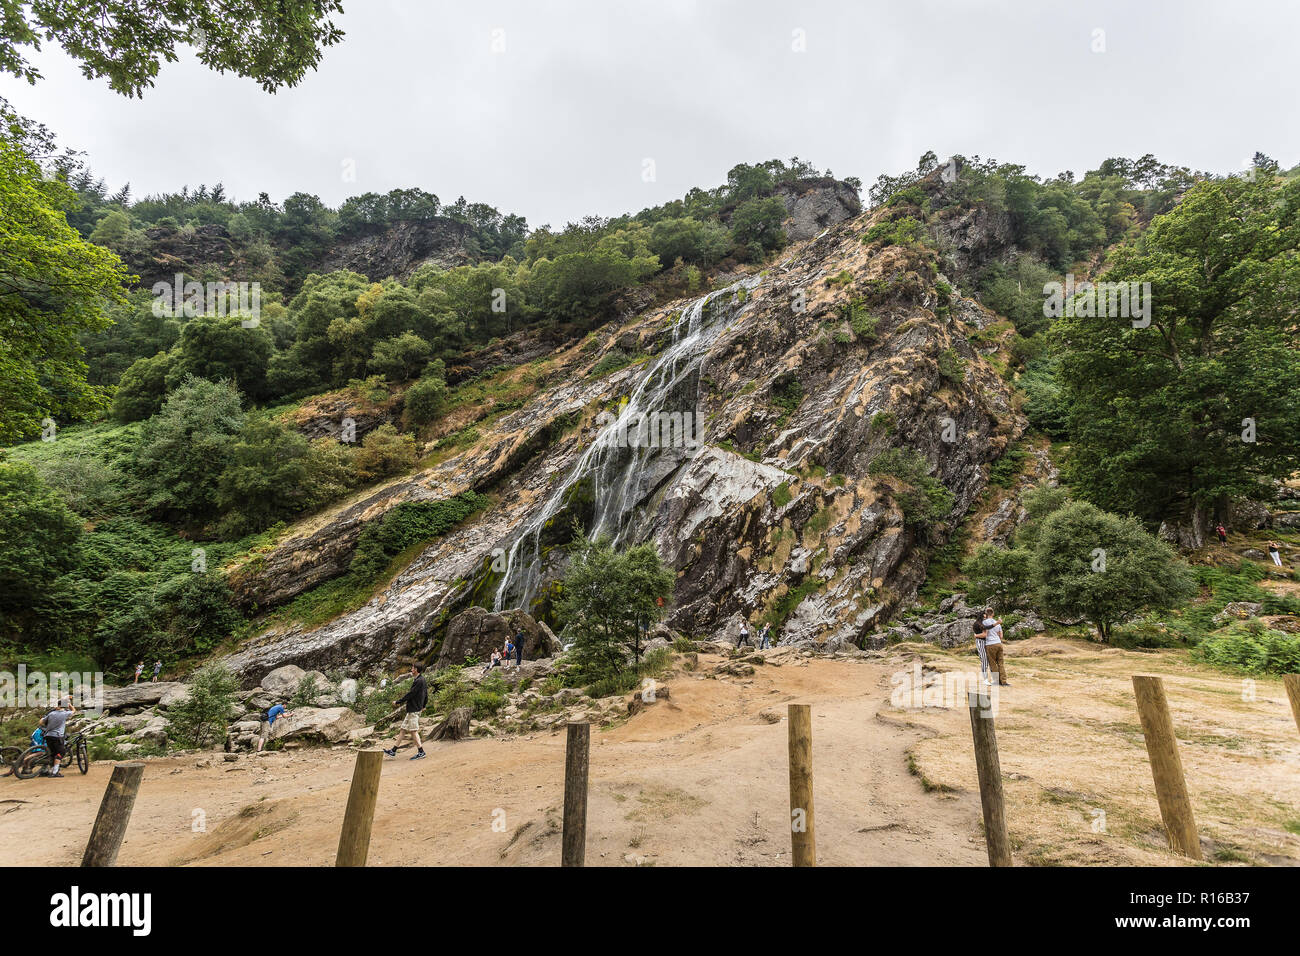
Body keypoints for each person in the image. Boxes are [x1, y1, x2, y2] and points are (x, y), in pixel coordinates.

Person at [384, 663, 427, 761]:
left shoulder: (419, 681)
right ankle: (393, 751)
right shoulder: (421, 679)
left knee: (413, 731)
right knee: (403, 729)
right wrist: (424, 705)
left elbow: (411, 694)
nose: (411, 670)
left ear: (416, 669)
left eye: (412, 668)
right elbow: (426, 694)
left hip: (414, 710)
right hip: (413, 709)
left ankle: (421, 752)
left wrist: (398, 702)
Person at [39, 698, 75, 778]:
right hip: (57, 736)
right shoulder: (65, 713)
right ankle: (55, 772)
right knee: (61, 753)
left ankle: (49, 770)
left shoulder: (51, 714)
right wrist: (69, 705)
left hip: (48, 736)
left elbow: (41, 722)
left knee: (53, 753)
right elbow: (73, 711)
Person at [981, 608, 1009, 687]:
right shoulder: (998, 623)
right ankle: (1004, 681)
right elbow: (1001, 635)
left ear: (986, 614)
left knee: (993, 663)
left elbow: (984, 634)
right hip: (998, 643)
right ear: (993, 614)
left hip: (990, 644)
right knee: (1001, 663)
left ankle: (996, 681)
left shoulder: (984, 622)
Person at [972, 615, 990, 684]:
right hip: (981, 642)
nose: (985, 619)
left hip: (986, 642)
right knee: (984, 659)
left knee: (987, 660)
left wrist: (976, 635)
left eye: (986, 617)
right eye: (984, 617)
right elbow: (984, 635)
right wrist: (977, 636)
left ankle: (988, 678)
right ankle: (985, 679)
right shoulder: (978, 624)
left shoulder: (982, 624)